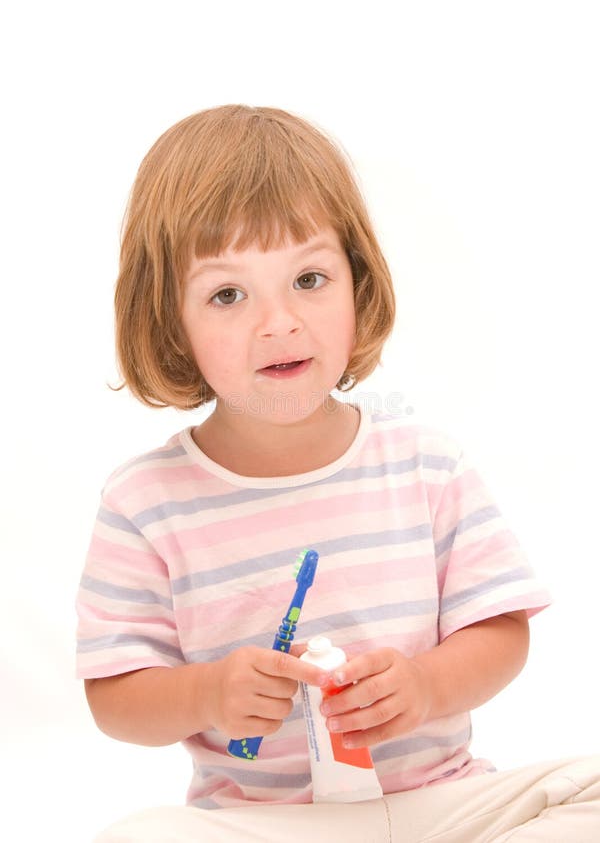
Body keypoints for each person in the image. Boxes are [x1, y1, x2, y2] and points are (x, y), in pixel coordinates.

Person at [76, 105, 600, 841]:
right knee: (141, 833)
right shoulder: (144, 503)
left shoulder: (427, 465)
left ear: (358, 283)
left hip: (441, 807)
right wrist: (207, 693)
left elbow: (503, 632)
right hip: (263, 823)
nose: (279, 322)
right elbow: (115, 698)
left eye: (310, 279)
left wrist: (424, 686)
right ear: (170, 323)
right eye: (229, 294)